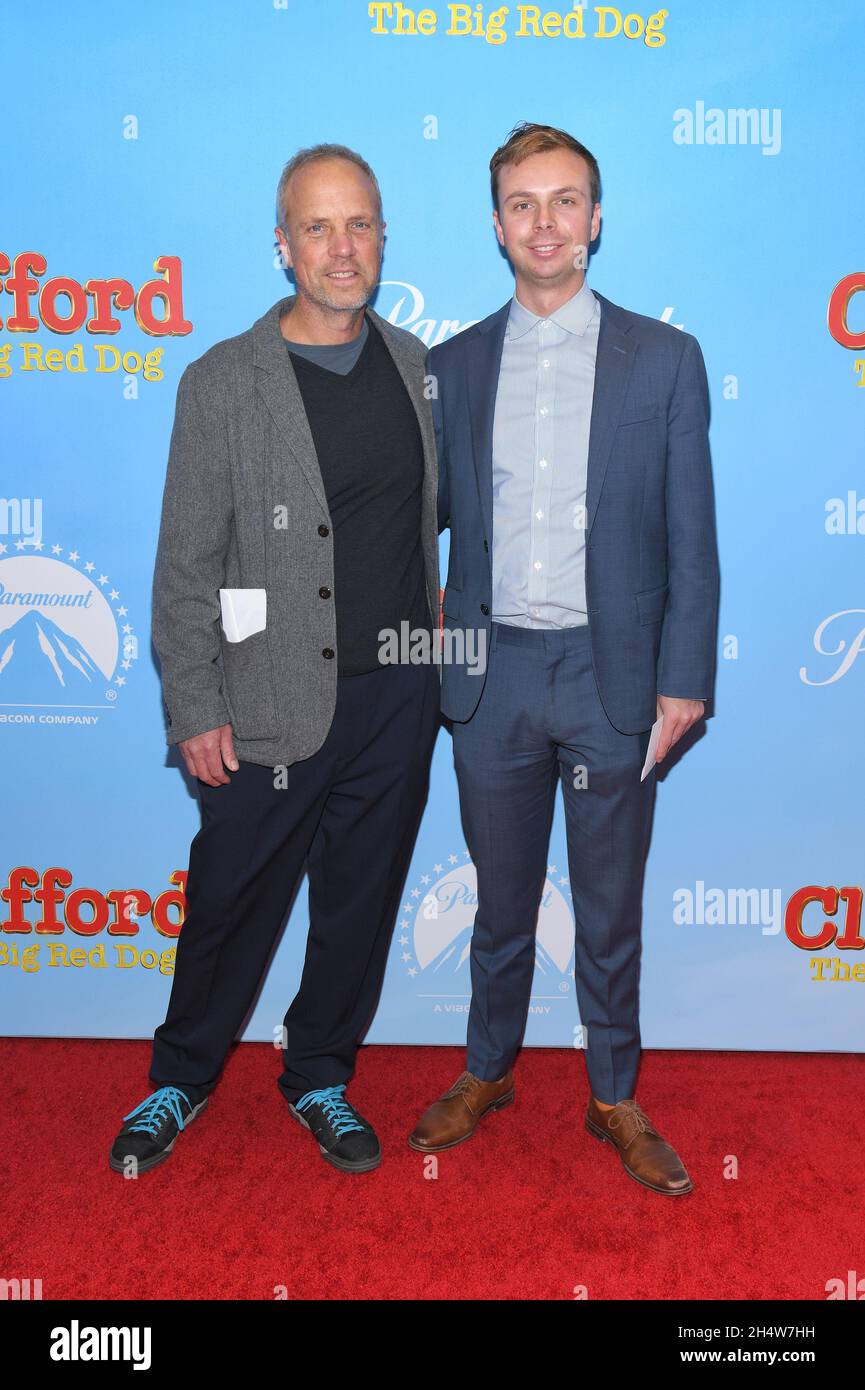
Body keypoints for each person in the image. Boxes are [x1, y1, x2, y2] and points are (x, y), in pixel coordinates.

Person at [110, 144, 441, 1177]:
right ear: (281, 245)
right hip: (264, 699)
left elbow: (428, 527)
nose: (341, 249)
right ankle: (180, 1076)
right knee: (230, 901)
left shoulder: (418, 365)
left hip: (397, 697)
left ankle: (321, 1075)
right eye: (318, 227)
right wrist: (193, 702)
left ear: (384, 237)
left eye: (360, 225)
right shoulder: (222, 383)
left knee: (361, 897)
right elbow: (185, 563)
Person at [409, 123, 720, 1196]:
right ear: (497, 226)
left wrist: (685, 678)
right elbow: (417, 530)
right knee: (499, 898)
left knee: (608, 901)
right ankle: (487, 1071)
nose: (545, 222)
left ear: (596, 218)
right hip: (490, 676)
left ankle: (613, 1094)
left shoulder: (664, 359)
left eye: (565, 200)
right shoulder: (447, 369)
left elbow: (693, 533)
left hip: (611, 676)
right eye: (523, 203)